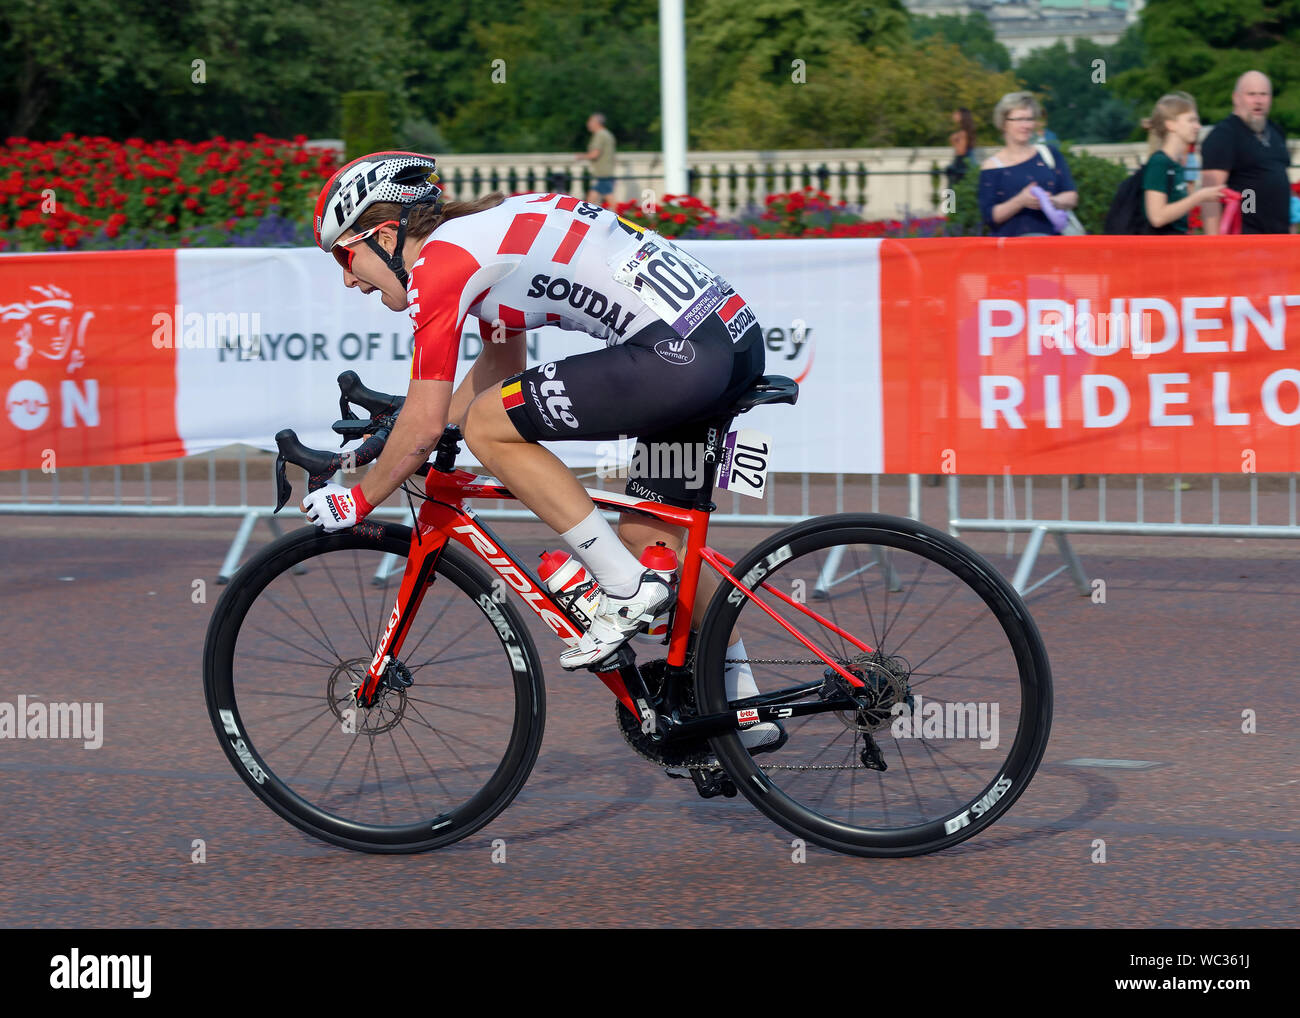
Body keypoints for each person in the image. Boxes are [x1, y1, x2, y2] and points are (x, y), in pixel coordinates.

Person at [304, 151, 781, 751]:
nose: (347, 279)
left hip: (679, 357)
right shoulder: (481, 239)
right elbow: (498, 368)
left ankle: (624, 590)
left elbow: (433, 425)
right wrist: (393, 436)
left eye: (345, 256)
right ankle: (744, 709)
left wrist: (357, 497)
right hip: (724, 342)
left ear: (388, 233)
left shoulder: (443, 265)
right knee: (657, 542)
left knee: (490, 427)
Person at [1200, 71, 1292, 234]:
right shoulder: (1224, 135)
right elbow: (1211, 196)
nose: (1258, 101)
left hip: (1279, 237)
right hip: (1245, 237)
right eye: (1251, 94)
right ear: (1236, 98)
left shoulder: (1276, 131)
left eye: (1263, 94)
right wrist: (1213, 246)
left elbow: (1282, 185)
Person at [978, 92, 1079, 236]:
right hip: (1012, 251)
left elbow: (1071, 196)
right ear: (1004, 123)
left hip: (1052, 247)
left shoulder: (1050, 154)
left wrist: (1050, 201)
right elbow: (990, 216)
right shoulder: (991, 166)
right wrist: (1020, 201)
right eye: (1019, 119)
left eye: (1030, 119)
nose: (1026, 125)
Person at [1140, 92, 1225, 234]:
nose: (1198, 126)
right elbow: (1157, 217)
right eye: (1191, 120)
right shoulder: (1160, 163)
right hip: (1161, 252)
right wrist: (1199, 197)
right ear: (1171, 125)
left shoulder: (1175, 164)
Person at [576, 113, 617, 206]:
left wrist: (581, 156)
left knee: (607, 196)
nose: (588, 124)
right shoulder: (607, 134)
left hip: (603, 173)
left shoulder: (600, 135)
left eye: (590, 121)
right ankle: (586, 216)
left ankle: (622, 216)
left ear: (597, 123)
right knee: (594, 196)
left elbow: (595, 154)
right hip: (605, 171)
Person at [945, 107, 976, 188]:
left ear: (962, 116)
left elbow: (961, 151)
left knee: (951, 192)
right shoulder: (965, 132)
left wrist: (953, 140)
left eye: (956, 114)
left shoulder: (963, 133)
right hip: (964, 165)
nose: (954, 116)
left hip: (962, 167)